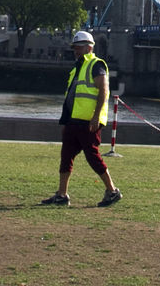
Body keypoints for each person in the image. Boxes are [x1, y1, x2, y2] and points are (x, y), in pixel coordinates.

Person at [39, 31, 121, 207]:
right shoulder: (78, 67)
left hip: (87, 121)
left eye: (78, 47)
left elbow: (104, 91)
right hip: (73, 120)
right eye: (74, 48)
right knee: (66, 156)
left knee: (92, 156)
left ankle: (112, 190)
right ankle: (62, 194)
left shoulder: (96, 65)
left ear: (88, 47)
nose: (75, 51)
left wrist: (96, 116)